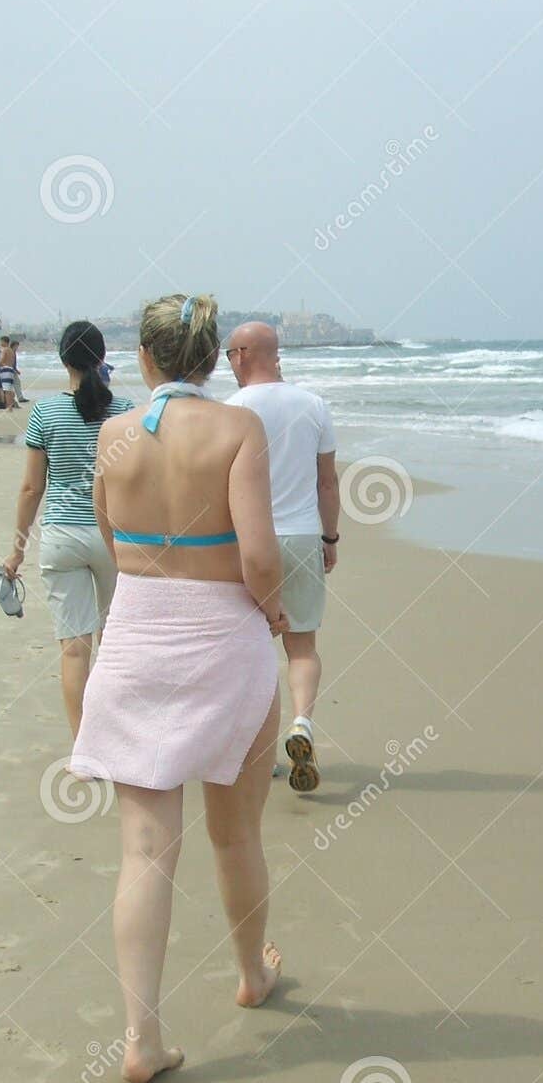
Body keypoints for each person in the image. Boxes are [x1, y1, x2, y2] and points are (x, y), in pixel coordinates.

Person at [66, 294, 288, 1083]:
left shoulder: (113, 434)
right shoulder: (238, 429)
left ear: (147, 358)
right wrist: (274, 612)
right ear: (209, 358)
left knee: (144, 853)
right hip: (222, 640)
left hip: (135, 640)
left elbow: (108, 535)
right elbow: (259, 558)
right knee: (236, 835)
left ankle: (140, 1037)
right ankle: (253, 973)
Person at [224, 321, 339, 791]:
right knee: (303, 646)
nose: (227, 361)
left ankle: (256, 752)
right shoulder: (314, 406)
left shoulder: (229, 410)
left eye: (230, 353)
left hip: (247, 542)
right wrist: (329, 539)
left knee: (250, 651)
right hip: (301, 536)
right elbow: (327, 482)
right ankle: (302, 724)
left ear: (245, 354)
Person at [3, 321, 133, 735]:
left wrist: (17, 548)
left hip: (61, 536)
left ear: (63, 359)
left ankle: (84, 747)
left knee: (74, 649)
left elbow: (30, 488)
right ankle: (120, 735)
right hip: (114, 536)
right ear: (102, 358)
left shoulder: (45, 411)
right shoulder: (125, 411)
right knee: (114, 645)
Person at [0, 335, 19, 409]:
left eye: (1, 341)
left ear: (4, 341)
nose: (0, 343)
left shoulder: (4, 350)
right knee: (10, 389)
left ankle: (8, 407)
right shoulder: (11, 351)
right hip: (10, 370)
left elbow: (1, 361)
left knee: (6, 390)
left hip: (5, 370)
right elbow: (12, 362)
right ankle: (10, 405)